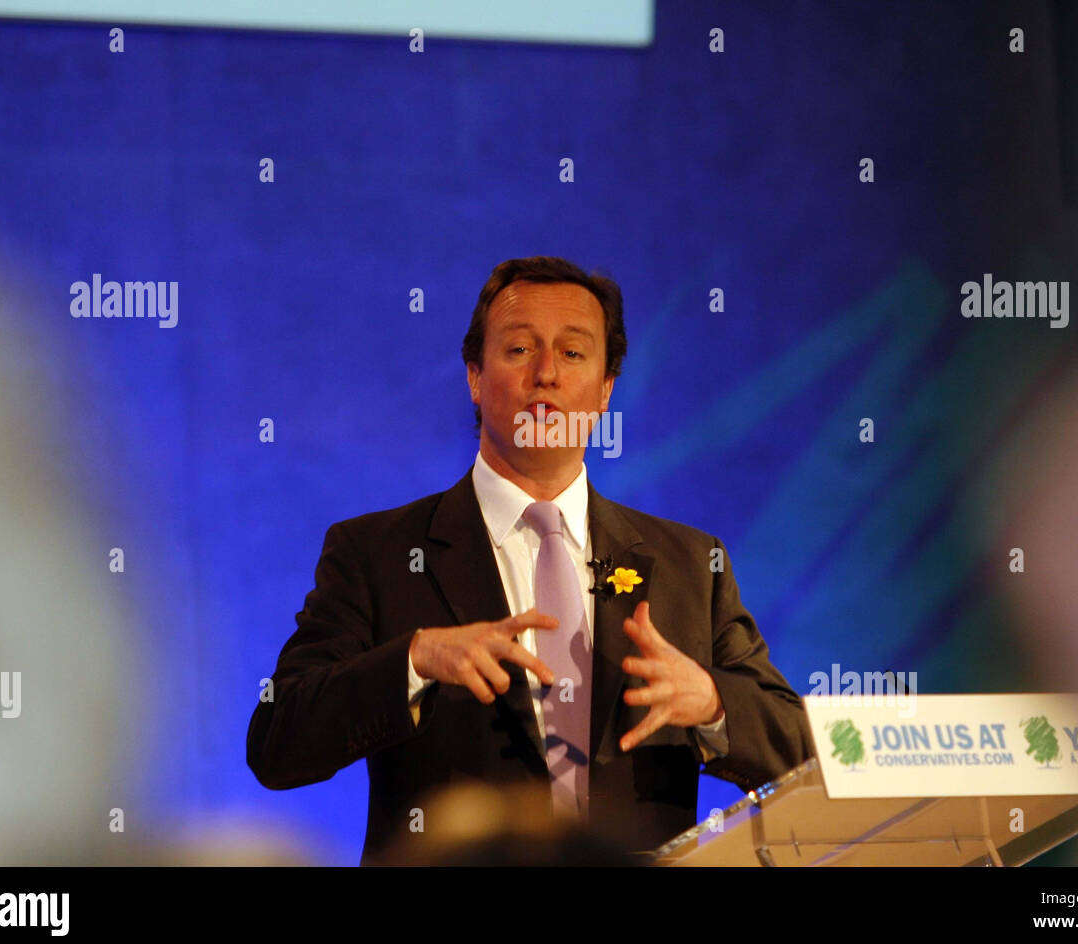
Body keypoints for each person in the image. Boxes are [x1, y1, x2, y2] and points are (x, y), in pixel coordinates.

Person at [247, 256, 814, 864]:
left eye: (573, 354)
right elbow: (277, 743)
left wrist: (711, 701)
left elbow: (800, 750)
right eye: (519, 349)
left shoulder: (688, 563)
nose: (546, 374)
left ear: (605, 390)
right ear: (474, 375)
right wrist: (413, 660)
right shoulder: (377, 553)